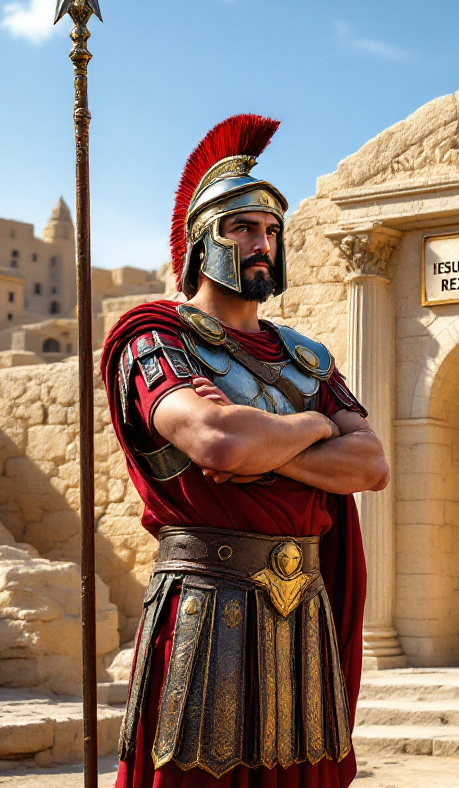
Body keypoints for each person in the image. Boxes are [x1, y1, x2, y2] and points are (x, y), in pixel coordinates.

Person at [101, 114, 388, 788]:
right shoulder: (154, 337)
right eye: (244, 228)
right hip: (207, 608)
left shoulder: (305, 356)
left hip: (302, 614)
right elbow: (215, 438)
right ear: (203, 241)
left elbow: (370, 465)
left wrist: (271, 441)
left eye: (271, 231)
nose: (263, 243)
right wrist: (314, 428)